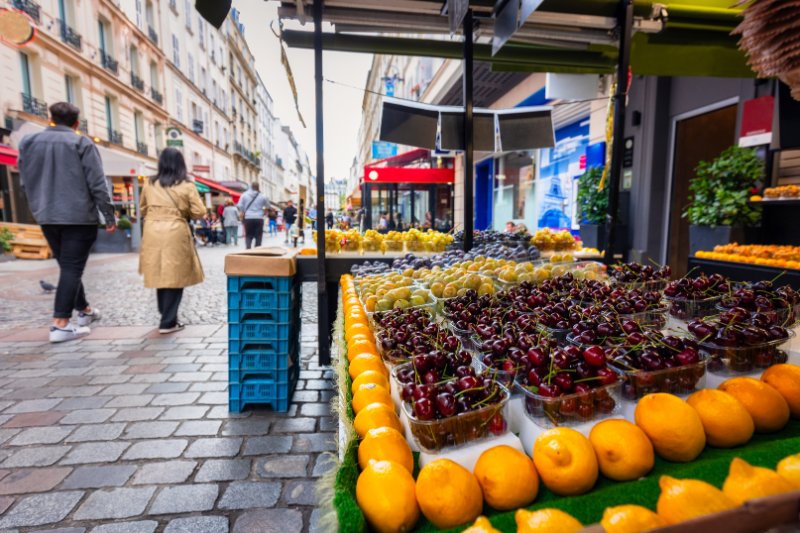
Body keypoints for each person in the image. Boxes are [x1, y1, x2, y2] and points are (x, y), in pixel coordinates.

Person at [18, 102, 115, 343]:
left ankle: (84, 311)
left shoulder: (29, 143)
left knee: (68, 266)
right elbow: (98, 184)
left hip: (47, 215)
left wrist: (39, 206)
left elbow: (24, 182)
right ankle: (60, 324)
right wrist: (109, 216)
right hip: (78, 217)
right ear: (76, 123)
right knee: (72, 267)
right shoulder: (81, 143)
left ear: (51, 118)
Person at [138, 148, 206, 334]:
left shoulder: (149, 183)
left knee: (160, 272)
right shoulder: (186, 185)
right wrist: (183, 213)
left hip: (152, 230)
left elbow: (143, 208)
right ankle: (168, 322)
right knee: (175, 274)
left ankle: (166, 316)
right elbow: (200, 212)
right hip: (175, 230)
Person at [237, 182, 267, 249]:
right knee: (258, 236)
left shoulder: (244, 195)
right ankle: (257, 251)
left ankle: (248, 250)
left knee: (248, 235)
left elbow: (239, 205)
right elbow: (267, 206)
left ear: (251, 187)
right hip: (259, 217)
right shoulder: (262, 195)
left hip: (248, 217)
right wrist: (263, 211)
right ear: (258, 187)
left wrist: (244, 211)